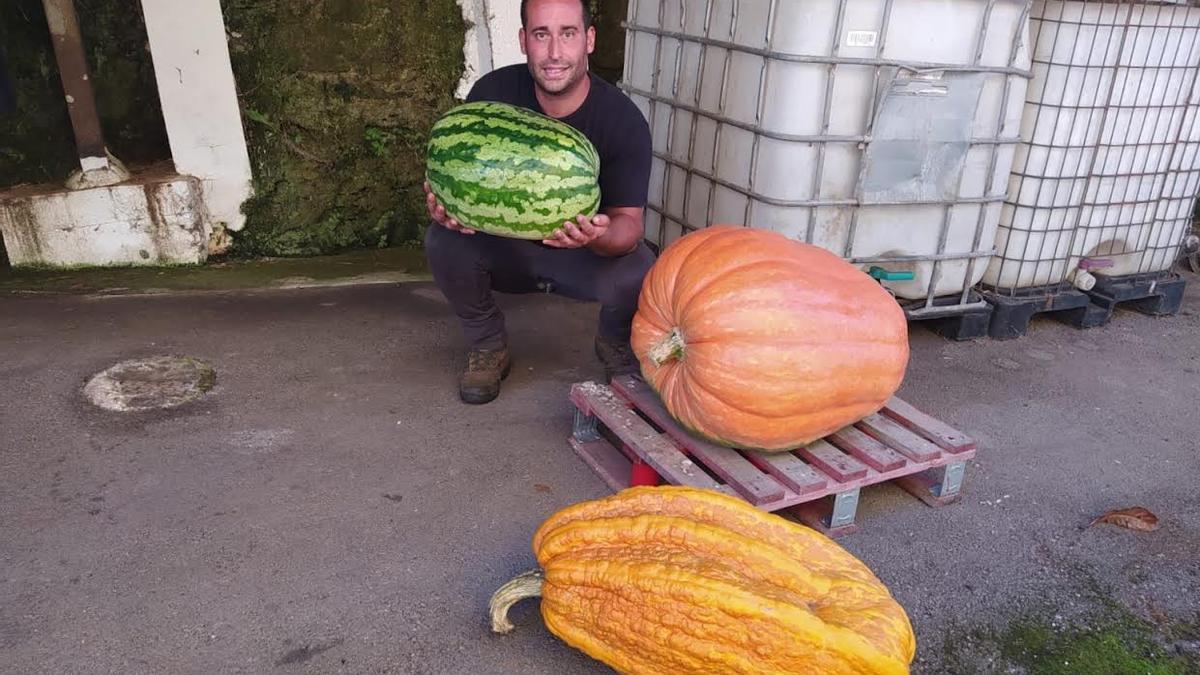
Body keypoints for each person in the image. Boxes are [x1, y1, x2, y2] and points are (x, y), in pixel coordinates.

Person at [423, 0, 655, 404]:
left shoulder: (623, 120)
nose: (554, 53)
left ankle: (614, 342)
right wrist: (448, 208)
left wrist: (595, 237)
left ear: (589, 40)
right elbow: (459, 171)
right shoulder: (492, 94)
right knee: (442, 242)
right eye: (540, 34)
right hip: (506, 251)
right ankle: (488, 344)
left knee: (640, 269)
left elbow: (629, 225)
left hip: (579, 258)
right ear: (523, 41)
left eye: (568, 33)